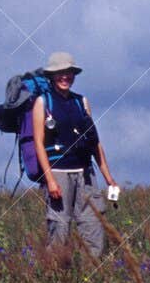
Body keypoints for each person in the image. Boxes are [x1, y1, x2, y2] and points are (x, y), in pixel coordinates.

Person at [32, 51, 117, 256]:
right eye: (60, 72)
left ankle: (94, 274)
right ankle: (57, 275)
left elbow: (94, 142)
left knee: (93, 225)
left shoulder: (82, 102)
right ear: (52, 75)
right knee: (59, 228)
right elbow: (38, 143)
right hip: (59, 174)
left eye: (69, 72)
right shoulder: (43, 102)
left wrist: (108, 178)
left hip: (86, 173)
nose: (65, 77)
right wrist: (50, 180)